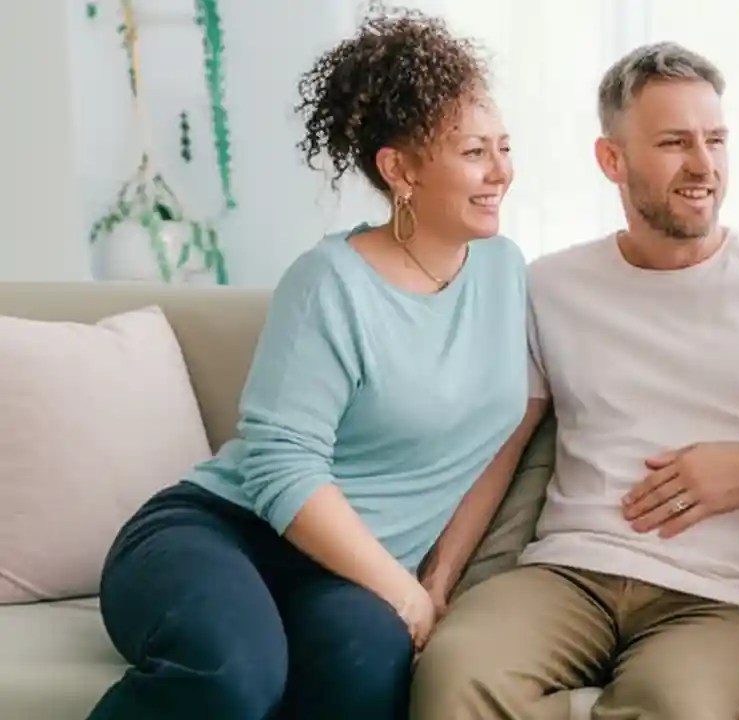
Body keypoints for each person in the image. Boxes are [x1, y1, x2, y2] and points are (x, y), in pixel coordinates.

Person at [87, 11, 545, 720]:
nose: (500, 172)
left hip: (343, 578)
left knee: (366, 666)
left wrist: (440, 576)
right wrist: (403, 593)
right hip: (222, 533)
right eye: (474, 152)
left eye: (504, 147)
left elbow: (506, 431)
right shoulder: (330, 281)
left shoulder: (505, 270)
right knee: (233, 676)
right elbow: (282, 467)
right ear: (400, 170)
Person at [411, 41, 739, 720]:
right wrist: (436, 581)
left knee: (675, 710)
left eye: (715, 139)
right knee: (454, 674)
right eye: (673, 142)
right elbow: (500, 445)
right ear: (612, 160)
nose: (704, 165)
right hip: (568, 574)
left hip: (731, 601)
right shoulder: (550, 285)